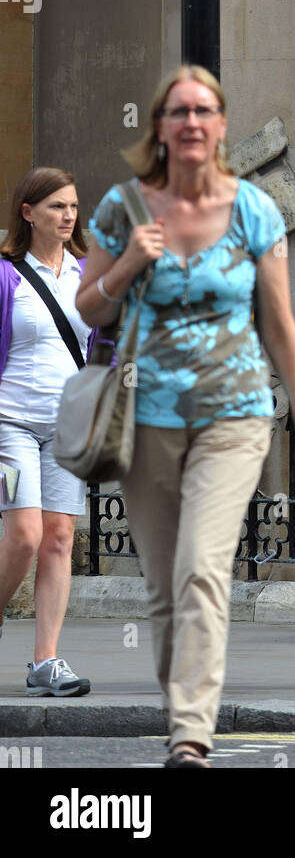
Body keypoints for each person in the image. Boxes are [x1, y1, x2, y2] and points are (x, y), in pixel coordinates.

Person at [77, 65, 295, 768]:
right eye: (178, 111)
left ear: (220, 126)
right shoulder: (121, 207)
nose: (191, 122)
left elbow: (281, 322)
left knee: (200, 568)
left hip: (235, 414)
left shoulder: (254, 210)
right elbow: (89, 308)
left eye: (205, 111)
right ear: (159, 127)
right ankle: (182, 713)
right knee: (164, 585)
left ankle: (191, 734)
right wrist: (129, 262)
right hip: (146, 417)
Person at [0, 167, 92, 697]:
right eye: (57, 206)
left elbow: (105, 342)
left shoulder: (85, 274)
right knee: (25, 535)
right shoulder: (7, 274)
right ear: (28, 212)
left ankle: (46, 661)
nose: (68, 216)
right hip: (10, 425)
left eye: (74, 206)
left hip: (68, 429)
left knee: (59, 538)